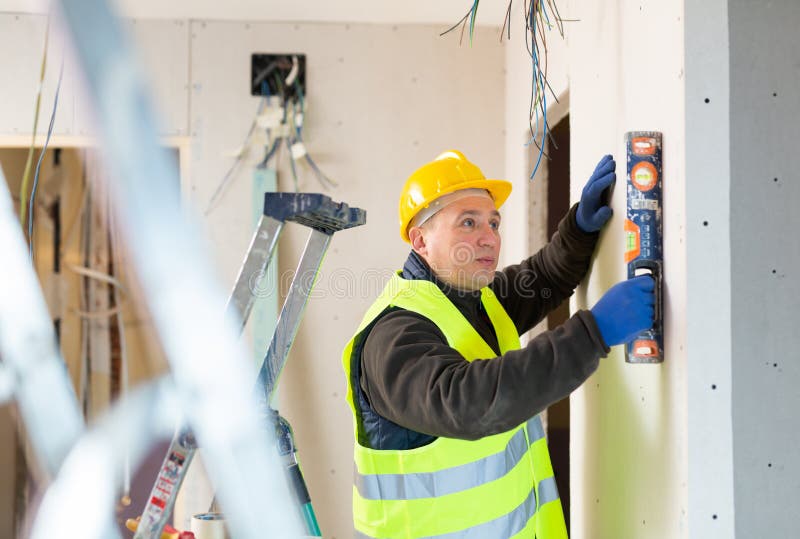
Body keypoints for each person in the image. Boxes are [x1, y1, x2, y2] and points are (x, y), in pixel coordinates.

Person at [341, 150, 655, 539]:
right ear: (421, 240)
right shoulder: (395, 334)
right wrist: (594, 333)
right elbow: (470, 403)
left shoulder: (474, 298)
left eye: (493, 222)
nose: (489, 238)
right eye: (468, 222)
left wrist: (578, 229)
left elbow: (542, 277)